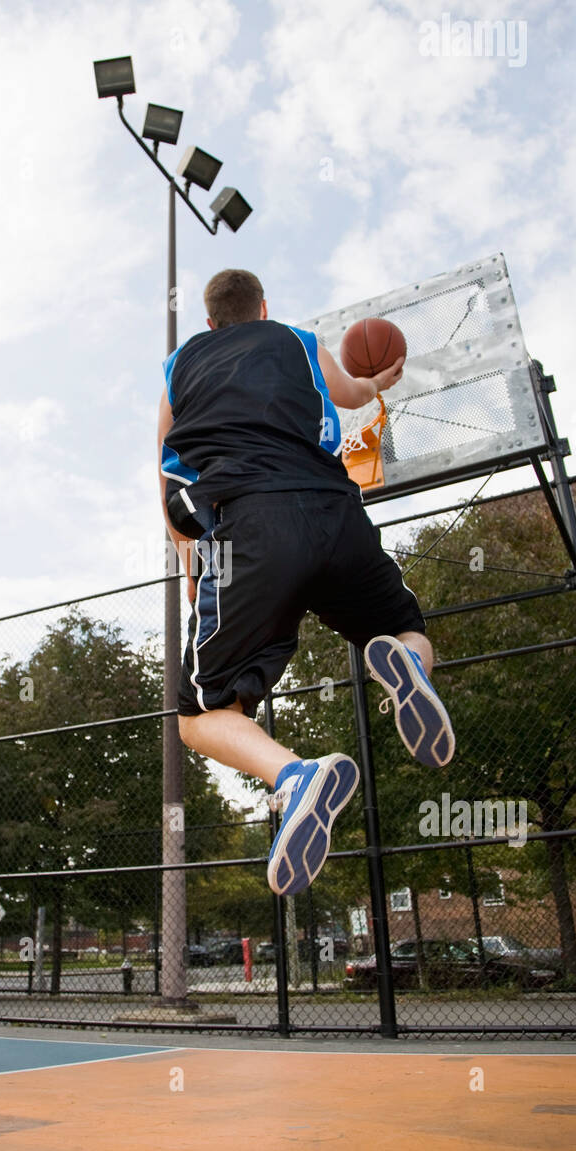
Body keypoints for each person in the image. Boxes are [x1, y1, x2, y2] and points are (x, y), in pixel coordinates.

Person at [157, 268, 454, 898]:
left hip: (248, 530)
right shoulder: (296, 337)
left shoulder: (178, 365)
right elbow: (349, 393)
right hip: (336, 510)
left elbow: (167, 469)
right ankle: (410, 669)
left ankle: (293, 779)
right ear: (264, 307)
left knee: (203, 712)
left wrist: (185, 548)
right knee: (405, 626)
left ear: (211, 321)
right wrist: (376, 380)